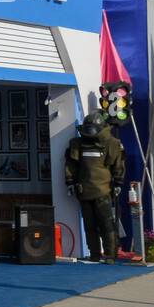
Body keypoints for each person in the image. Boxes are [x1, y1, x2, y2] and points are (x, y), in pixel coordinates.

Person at [65, 111, 126, 263]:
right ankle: (95, 255)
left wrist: (118, 182)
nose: (90, 133)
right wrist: (70, 182)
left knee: (106, 225)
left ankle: (110, 255)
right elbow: (71, 165)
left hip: (103, 192)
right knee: (90, 225)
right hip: (84, 190)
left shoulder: (112, 143)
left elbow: (119, 165)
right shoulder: (77, 144)